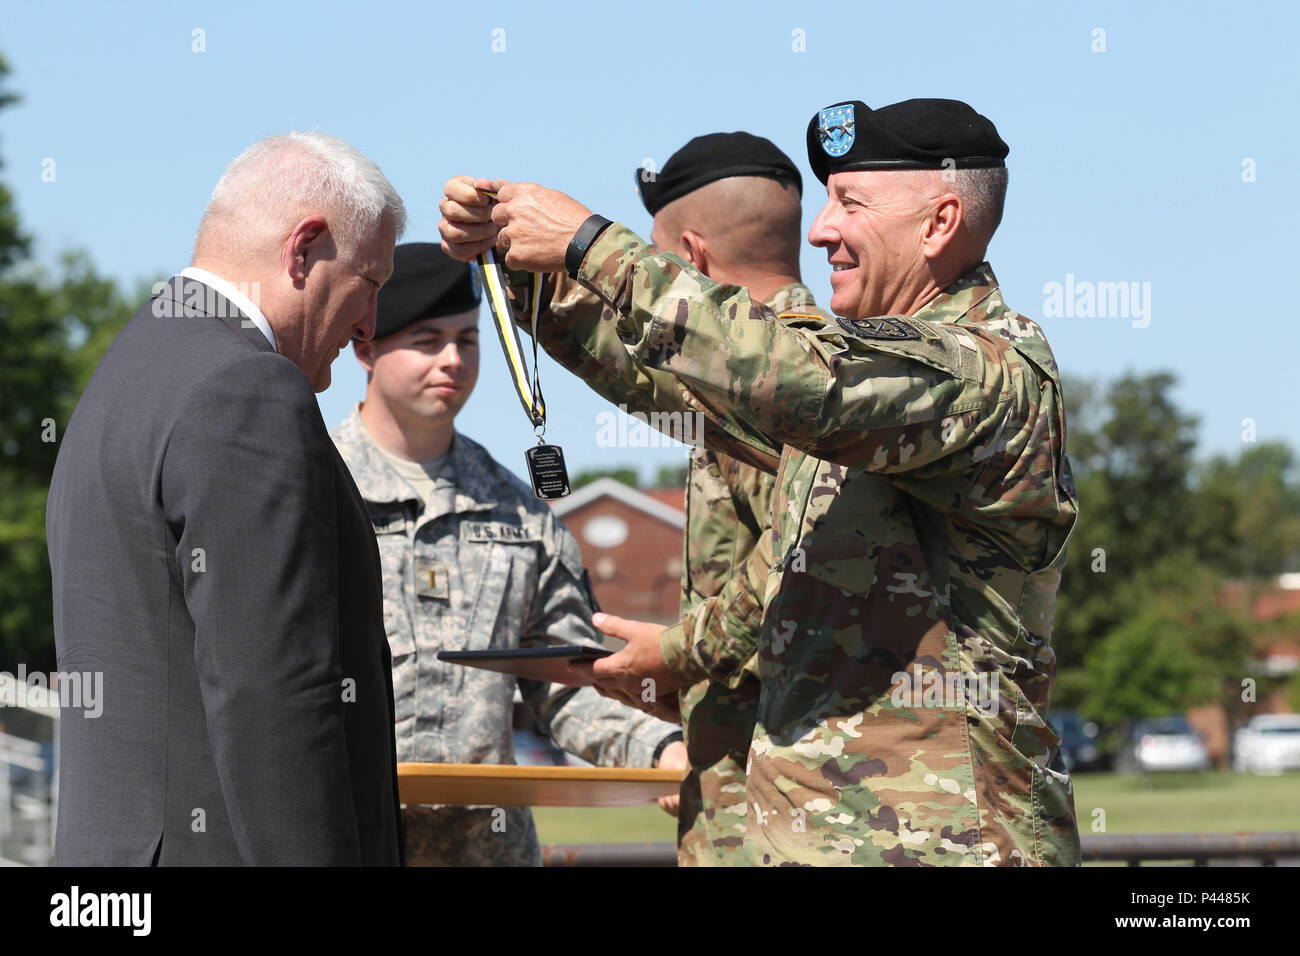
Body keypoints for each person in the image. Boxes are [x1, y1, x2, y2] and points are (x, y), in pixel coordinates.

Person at [438, 97, 1082, 866]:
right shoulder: (854, 391)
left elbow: (806, 383)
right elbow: (676, 381)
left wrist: (588, 245)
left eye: (850, 203)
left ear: (938, 223)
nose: (820, 230)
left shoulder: (986, 371)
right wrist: (517, 261)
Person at [46, 132, 406, 865]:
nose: (371, 325)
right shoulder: (246, 388)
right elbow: (275, 700)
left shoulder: (130, 371)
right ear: (304, 248)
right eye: (371, 282)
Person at [329, 241, 686, 867]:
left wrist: (659, 750)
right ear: (365, 347)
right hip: (345, 844)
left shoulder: (520, 515)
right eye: (426, 340)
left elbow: (571, 684)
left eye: (467, 341)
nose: (452, 361)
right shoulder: (317, 495)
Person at [577, 132, 829, 865]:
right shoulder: (826, 367)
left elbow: (797, 587)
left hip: (774, 818)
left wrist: (670, 656)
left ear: (689, 260)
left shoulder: (770, 382)